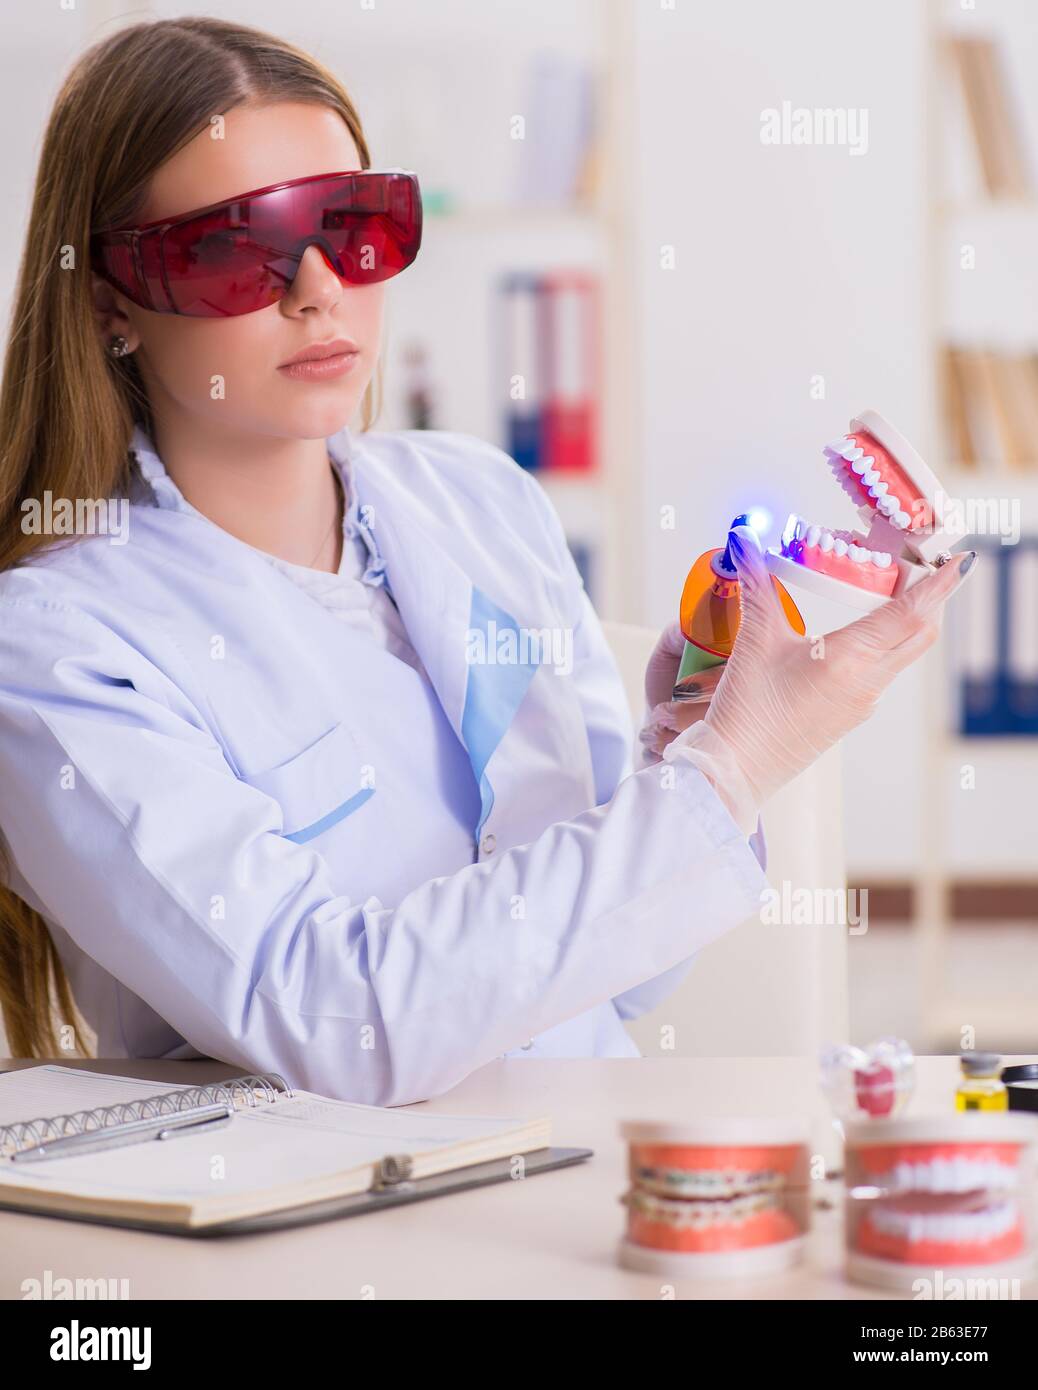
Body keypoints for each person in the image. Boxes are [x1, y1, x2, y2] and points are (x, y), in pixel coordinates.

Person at [0, 17, 975, 1105]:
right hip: (329, 1231)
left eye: (355, 228)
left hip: (583, 1164)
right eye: (235, 249)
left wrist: (680, 754)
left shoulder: (481, 500)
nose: (320, 287)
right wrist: (728, 773)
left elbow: (623, 979)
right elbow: (341, 1022)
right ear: (108, 303)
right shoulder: (54, 649)